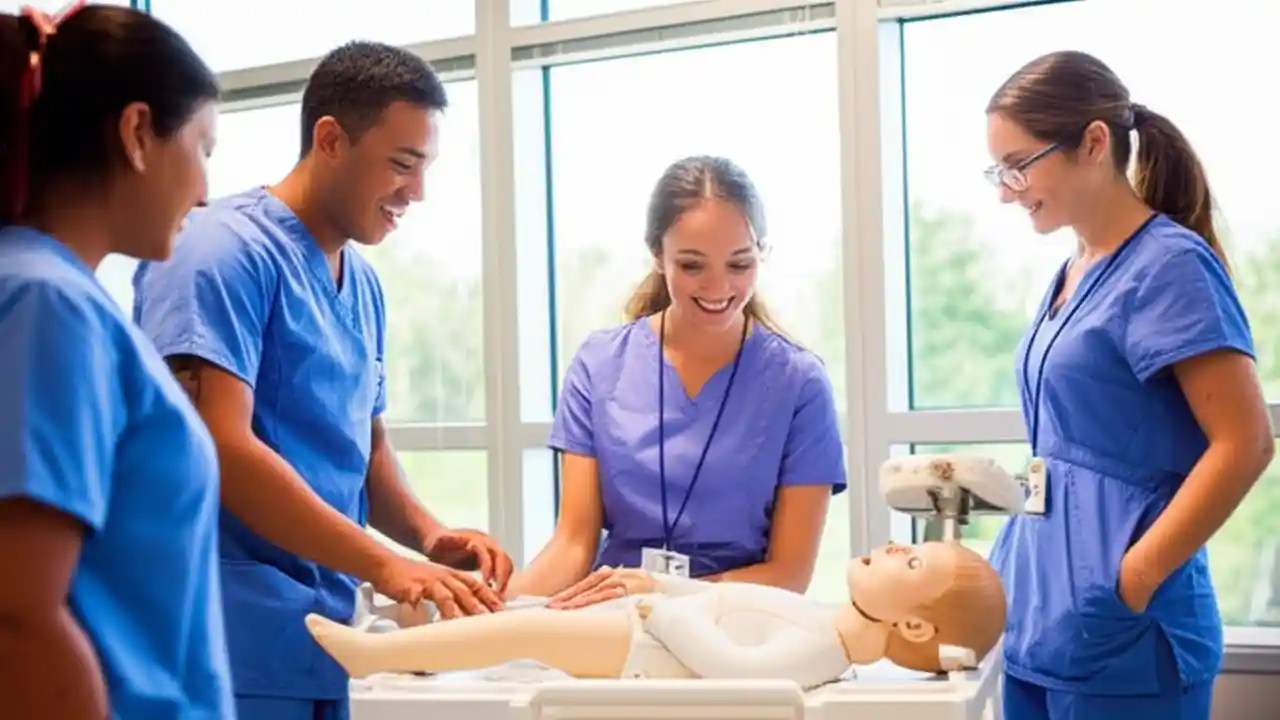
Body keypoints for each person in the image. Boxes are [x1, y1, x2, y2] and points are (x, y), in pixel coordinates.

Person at [132, 41, 513, 720]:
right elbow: (221, 443)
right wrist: (386, 565)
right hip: (228, 641)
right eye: (402, 165)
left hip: (323, 648)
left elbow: (364, 450)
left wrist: (427, 538)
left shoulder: (361, 284)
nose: (415, 193)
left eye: (424, 171)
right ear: (331, 139)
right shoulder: (218, 252)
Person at [983, 50, 1274, 719]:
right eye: (998, 170)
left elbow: (1246, 442)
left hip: (1123, 632)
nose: (1006, 190)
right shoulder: (1072, 271)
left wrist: (1131, 583)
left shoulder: (1169, 267)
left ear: (1093, 142)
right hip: (1041, 619)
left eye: (1019, 165)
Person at [0, 4, 231, 719]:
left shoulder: (53, 295)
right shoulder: (47, 303)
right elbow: (17, 613)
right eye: (202, 148)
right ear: (137, 133)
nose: (204, 191)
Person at [505, 155, 847, 608]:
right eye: (692, 265)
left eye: (739, 264)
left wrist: (668, 591)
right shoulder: (600, 363)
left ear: (761, 253)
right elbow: (572, 545)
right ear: (656, 255)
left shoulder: (799, 383)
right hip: (614, 620)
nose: (718, 287)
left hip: (738, 627)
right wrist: (492, 611)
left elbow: (789, 573)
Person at [306, 541, 1006, 686]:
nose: (892, 546)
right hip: (646, 627)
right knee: (526, 612)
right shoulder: (824, 618)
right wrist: (662, 589)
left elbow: (737, 672)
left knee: (524, 630)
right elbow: (725, 602)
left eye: (911, 564)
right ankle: (410, 639)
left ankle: (378, 658)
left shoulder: (821, 653)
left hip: (643, 650)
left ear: (913, 628)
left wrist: (658, 612)